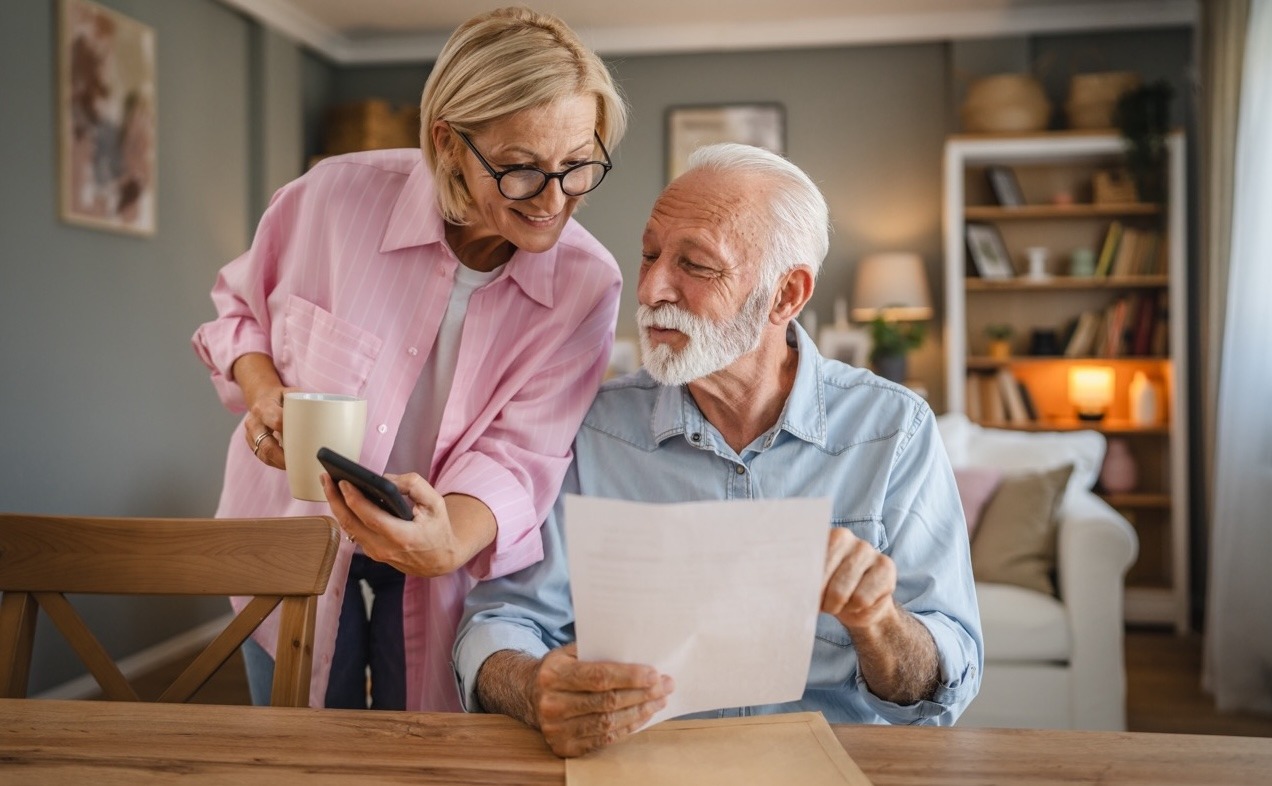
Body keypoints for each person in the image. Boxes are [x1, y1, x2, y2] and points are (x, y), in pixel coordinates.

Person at [453, 143, 983, 758]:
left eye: (696, 266)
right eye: (650, 254)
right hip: (637, 765)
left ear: (786, 296)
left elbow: (947, 679)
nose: (651, 288)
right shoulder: (589, 429)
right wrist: (532, 685)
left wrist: (878, 622)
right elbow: (493, 626)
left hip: (834, 765)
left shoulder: (894, 429)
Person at [191, 6, 627, 711]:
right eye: (520, 169)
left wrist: (445, 541)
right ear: (447, 141)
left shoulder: (587, 285)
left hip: (438, 550)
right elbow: (241, 312)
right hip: (289, 536)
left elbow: (523, 455)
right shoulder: (332, 199)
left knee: (420, 754)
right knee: (296, 757)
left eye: (578, 165)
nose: (554, 200)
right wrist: (264, 386)